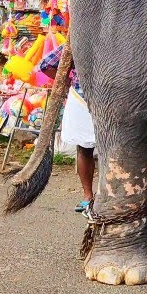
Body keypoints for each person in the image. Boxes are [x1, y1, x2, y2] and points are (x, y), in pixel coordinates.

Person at [40, 46, 95, 214]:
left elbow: (46, 65)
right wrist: (66, 83)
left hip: (85, 97)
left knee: (85, 150)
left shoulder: (79, 36)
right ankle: (90, 196)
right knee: (89, 148)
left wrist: (66, 84)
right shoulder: (76, 38)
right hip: (89, 98)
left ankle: (90, 196)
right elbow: (47, 64)